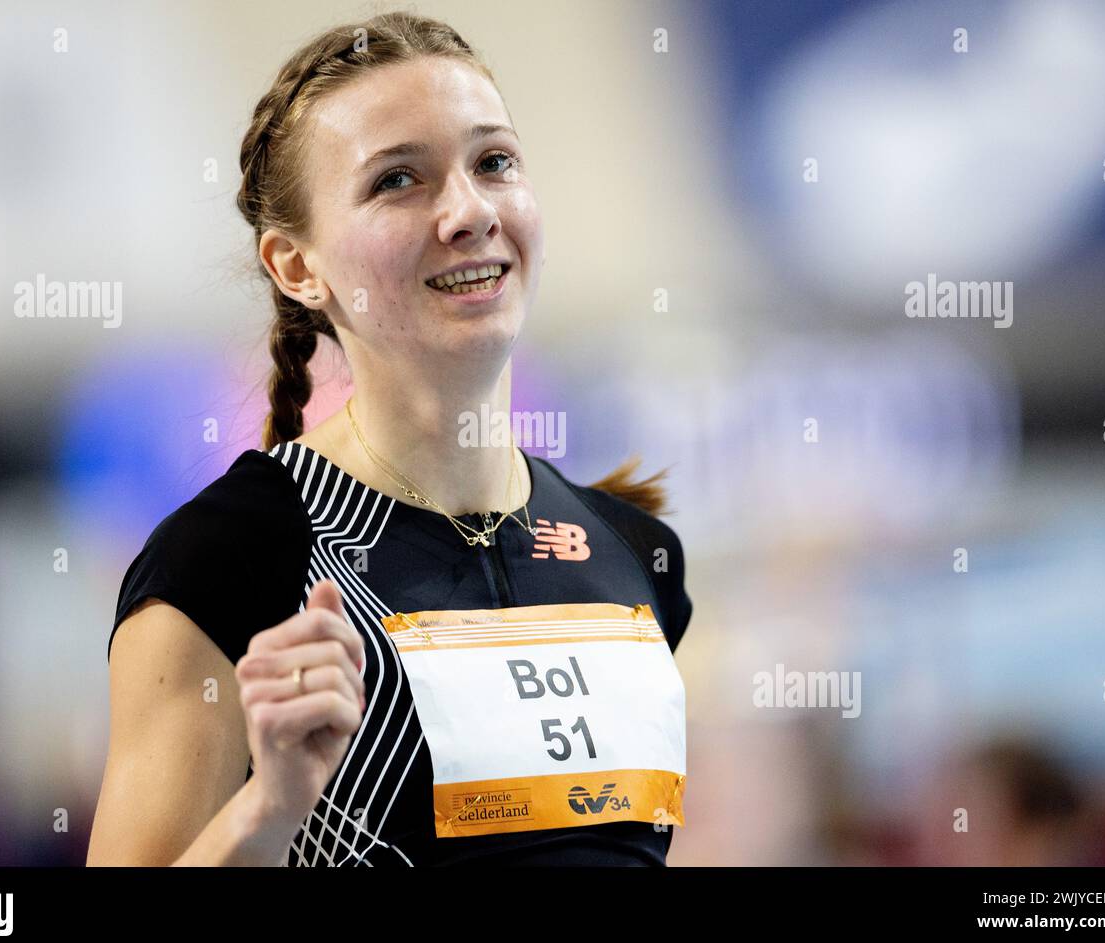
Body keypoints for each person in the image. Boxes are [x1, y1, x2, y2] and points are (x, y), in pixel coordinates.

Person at [87, 10, 692, 867]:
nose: (468, 211)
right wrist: (269, 807)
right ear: (298, 268)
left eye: (494, 162)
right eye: (398, 180)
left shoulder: (634, 555)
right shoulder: (228, 561)